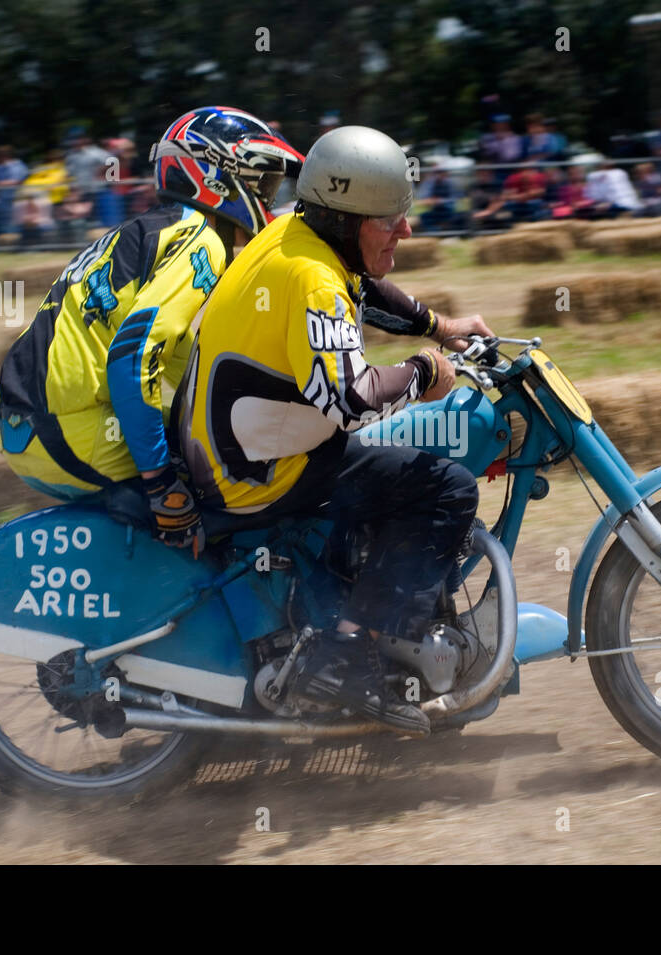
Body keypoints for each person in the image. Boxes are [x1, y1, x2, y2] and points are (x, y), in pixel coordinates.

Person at [173, 125, 494, 733]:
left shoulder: (293, 232)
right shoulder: (313, 278)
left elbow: (364, 286)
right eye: (390, 219)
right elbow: (350, 399)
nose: (407, 230)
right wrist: (426, 370)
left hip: (238, 447)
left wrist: (438, 324)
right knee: (446, 487)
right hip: (259, 471)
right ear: (347, 221)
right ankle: (346, 655)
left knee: (388, 468)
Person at [0, 106, 304, 551]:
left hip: (34, 426)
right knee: (241, 480)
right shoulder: (201, 239)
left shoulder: (160, 231)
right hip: (67, 427)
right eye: (264, 181)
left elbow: (180, 375)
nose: (270, 198)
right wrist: (161, 482)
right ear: (218, 176)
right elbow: (134, 356)